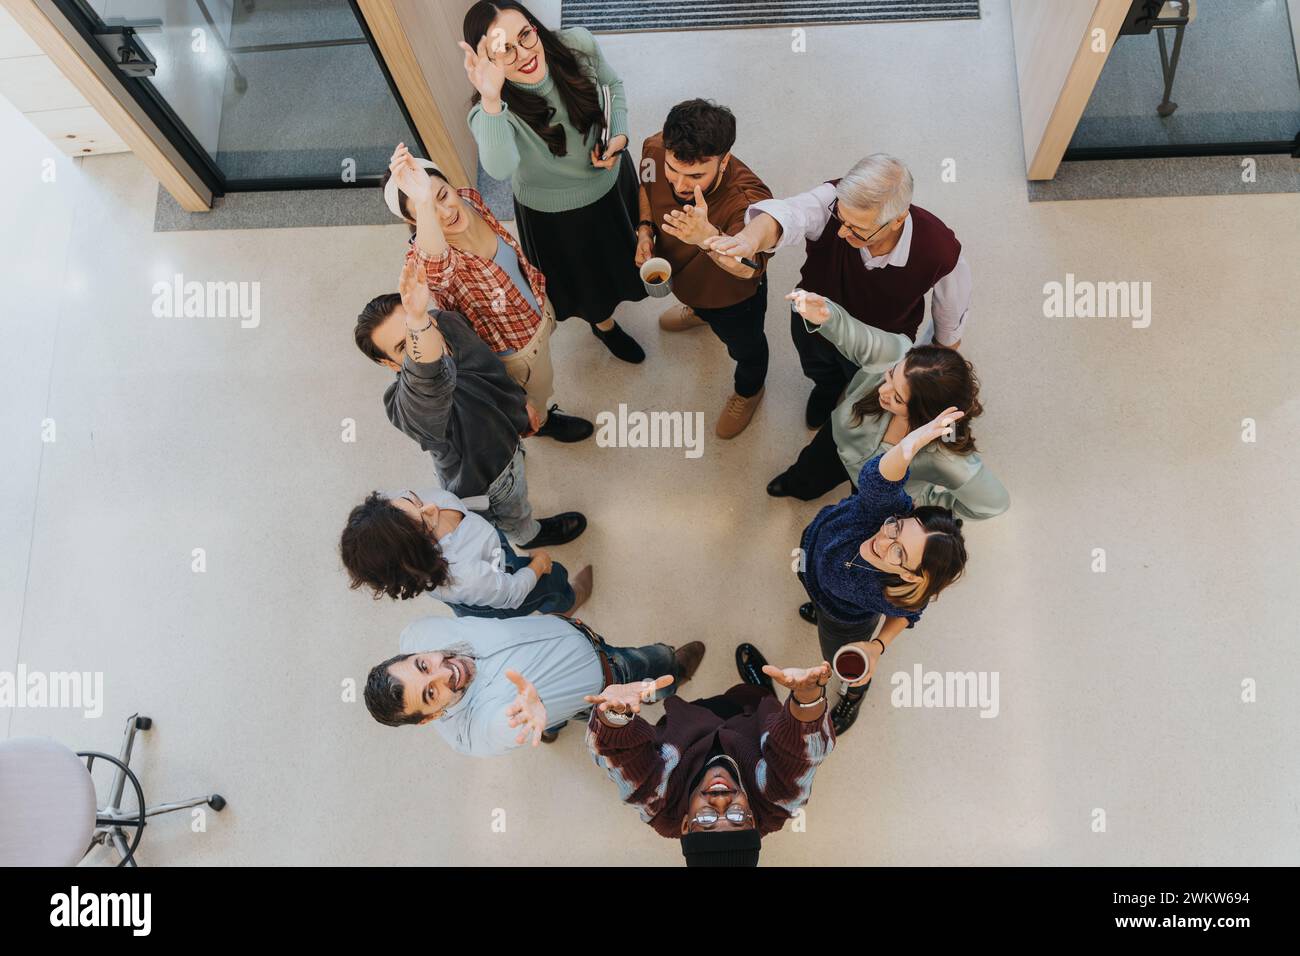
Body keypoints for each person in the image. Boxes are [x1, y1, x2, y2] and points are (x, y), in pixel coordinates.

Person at [707, 154, 973, 429]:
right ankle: (826, 388)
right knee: (816, 365)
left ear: (897, 220)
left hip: (879, 341)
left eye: (858, 229)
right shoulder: (832, 200)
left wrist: (934, 368)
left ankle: (853, 399)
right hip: (814, 318)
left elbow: (950, 319)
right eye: (841, 219)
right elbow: (788, 214)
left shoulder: (941, 251)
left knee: (867, 386)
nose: (843, 233)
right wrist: (748, 240)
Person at [460, 1, 648, 364]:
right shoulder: (489, 114)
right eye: (504, 50)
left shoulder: (577, 45)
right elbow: (499, 168)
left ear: (534, 26)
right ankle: (604, 326)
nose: (524, 54)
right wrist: (490, 97)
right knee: (588, 282)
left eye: (525, 35)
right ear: (486, 63)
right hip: (556, 216)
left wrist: (618, 137)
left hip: (610, 181)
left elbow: (611, 84)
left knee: (628, 256)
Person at [354, 257, 585, 549]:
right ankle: (528, 536)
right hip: (490, 479)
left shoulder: (447, 322)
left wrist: (520, 404)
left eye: (418, 326)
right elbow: (428, 376)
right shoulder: (407, 407)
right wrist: (417, 326)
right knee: (514, 513)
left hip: (506, 434)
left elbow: (493, 371)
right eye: (404, 346)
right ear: (389, 363)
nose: (418, 343)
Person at [383, 143, 591, 444]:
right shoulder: (428, 261)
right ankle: (541, 423)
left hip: (536, 306)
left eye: (443, 194)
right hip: (517, 352)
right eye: (429, 209)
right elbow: (435, 265)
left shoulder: (470, 200)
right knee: (537, 392)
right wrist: (424, 199)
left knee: (546, 349)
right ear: (417, 222)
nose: (446, 212)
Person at [585, 642, 833, 866]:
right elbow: (802, 752)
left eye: (705, 819)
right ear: (754, 821)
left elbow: (615, 752)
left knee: (671, 694)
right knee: (756, 696)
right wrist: (807, 698)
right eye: (737, 817)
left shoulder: (655, 801)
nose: (721, 801)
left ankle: (675, 674)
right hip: (750, 714)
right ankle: (760, 686)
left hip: (687, 720)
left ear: (684, 825)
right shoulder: (779, 801)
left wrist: (615, 715)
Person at [769, 289, 1009, 516]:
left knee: (855, 517)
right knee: (807, 472)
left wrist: (926, 501)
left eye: (897, 398)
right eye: (891, 376)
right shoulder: (897, 353)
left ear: (925, 414)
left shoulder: (945, 454)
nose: (882, 390)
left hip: (880, 491)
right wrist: (827, 315)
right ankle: (797, 486)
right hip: (838, 440)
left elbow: (993, 504)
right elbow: (854, 334)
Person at [798, 420, 969, 736]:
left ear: (910, 576)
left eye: (900, 553)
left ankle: (854, 694)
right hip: (812, 558)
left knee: (841, 661)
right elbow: (877, 480)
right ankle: (817, 606)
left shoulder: (893, 591)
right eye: (898, 527)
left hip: (844, 618)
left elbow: (910, 612)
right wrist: (908, 445)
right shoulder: (883, 512)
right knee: (812, 588)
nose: (882, 540)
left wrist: (876, 646)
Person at [364, 614, 705, 754]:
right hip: (612, 672)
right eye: (431, 693)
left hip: (562, 626)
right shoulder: (478, 732)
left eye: (423, 665)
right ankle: (673, 674)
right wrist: (529, 717)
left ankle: (553, 720)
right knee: (653, 664)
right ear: (430, 717)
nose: (444, 672)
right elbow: (504, 725)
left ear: (410, 654)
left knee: (554, 717)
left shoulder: (416, 634)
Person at [636, 98, 774, 438]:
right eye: (674, 170)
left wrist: (708, 237)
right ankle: (698, 311)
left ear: (724, 160)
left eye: (696, 175)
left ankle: (750, 391)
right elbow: (646, 186)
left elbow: (750, 269)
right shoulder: (655, 148)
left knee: (748, 349)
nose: (680, 185)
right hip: (685, 275)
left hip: (731, 296)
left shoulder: (749, 202)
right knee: (697, 297)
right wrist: (644, 228)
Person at [340, 487, 593, 618]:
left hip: (488, 546)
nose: (430, 506)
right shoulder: (464, 576)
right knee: (552, 578)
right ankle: (566, 604)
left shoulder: (394, 507)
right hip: (495, 591)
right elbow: (512, 593)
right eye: (423, 521)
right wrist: (539, 563)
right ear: (416, 556)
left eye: (412, 499)